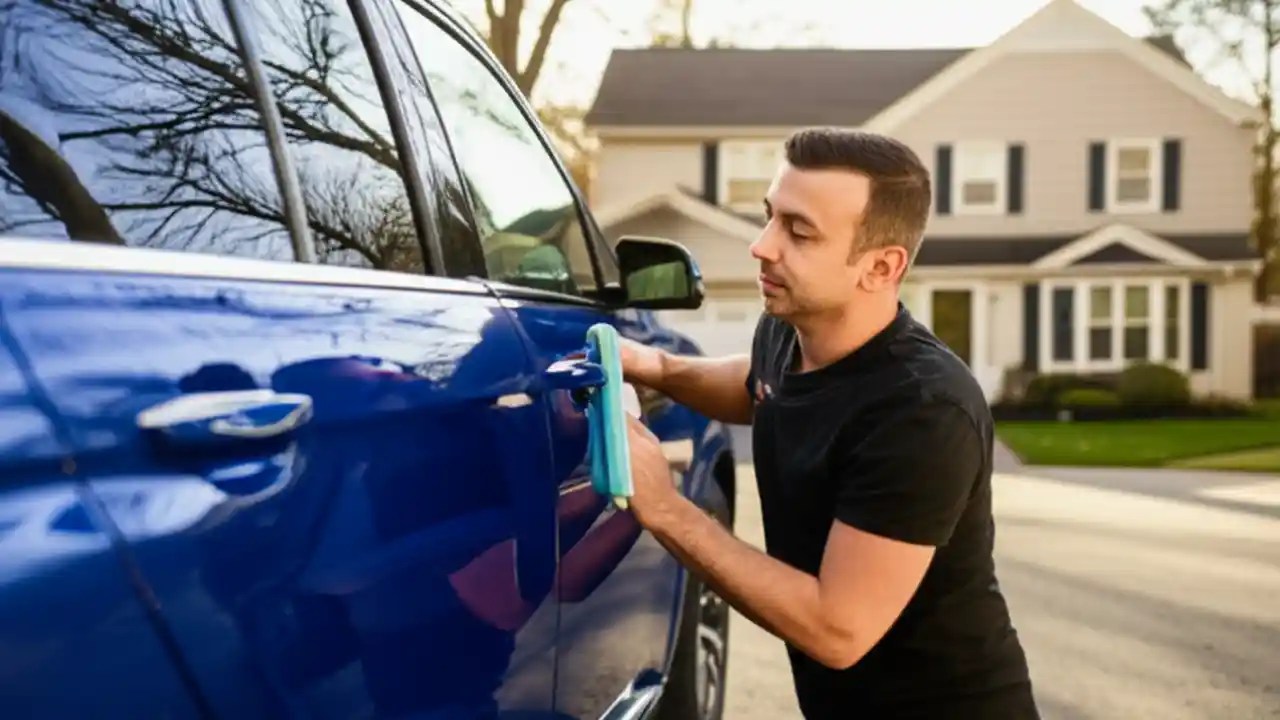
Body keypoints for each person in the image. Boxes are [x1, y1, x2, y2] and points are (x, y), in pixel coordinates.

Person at [618, 127, 1039, 719]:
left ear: (880, 265)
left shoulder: (922, 412)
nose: (763, 246)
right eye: (770, 216)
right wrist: (657, 365)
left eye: (799, 231)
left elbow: (836, 630)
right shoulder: (789, 332)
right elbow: (760, 386)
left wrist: (665, 508)